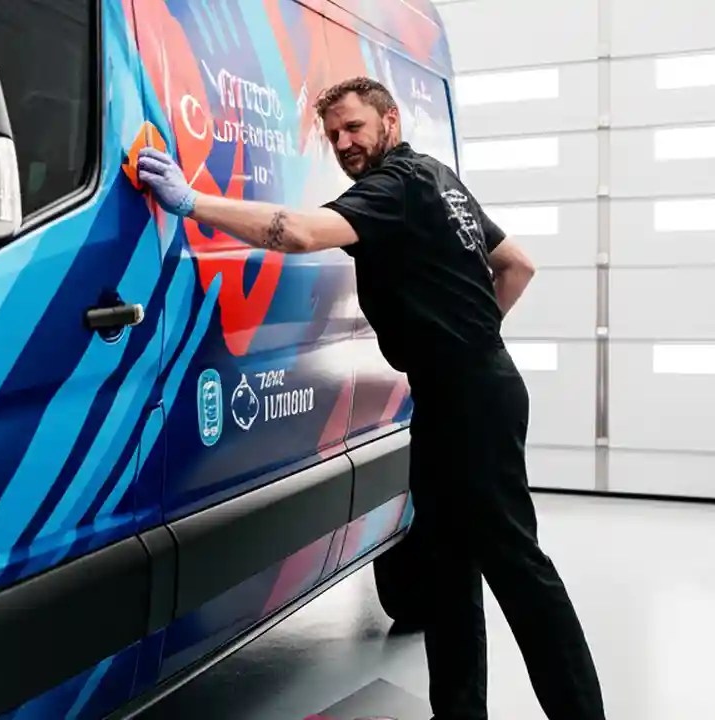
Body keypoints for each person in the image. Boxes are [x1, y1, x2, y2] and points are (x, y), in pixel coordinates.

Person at [136, 77, 606, 720]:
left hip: (469, 398)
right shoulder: (437, 177)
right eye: (332, 135)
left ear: (389, 119)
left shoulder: (395, 187)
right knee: (445, 568)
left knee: (516, 567)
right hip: (461, 390)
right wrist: (468, 336)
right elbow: (516, 264)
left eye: (354, 128)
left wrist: (192, 204)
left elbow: (296, 233)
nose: (343, 143)